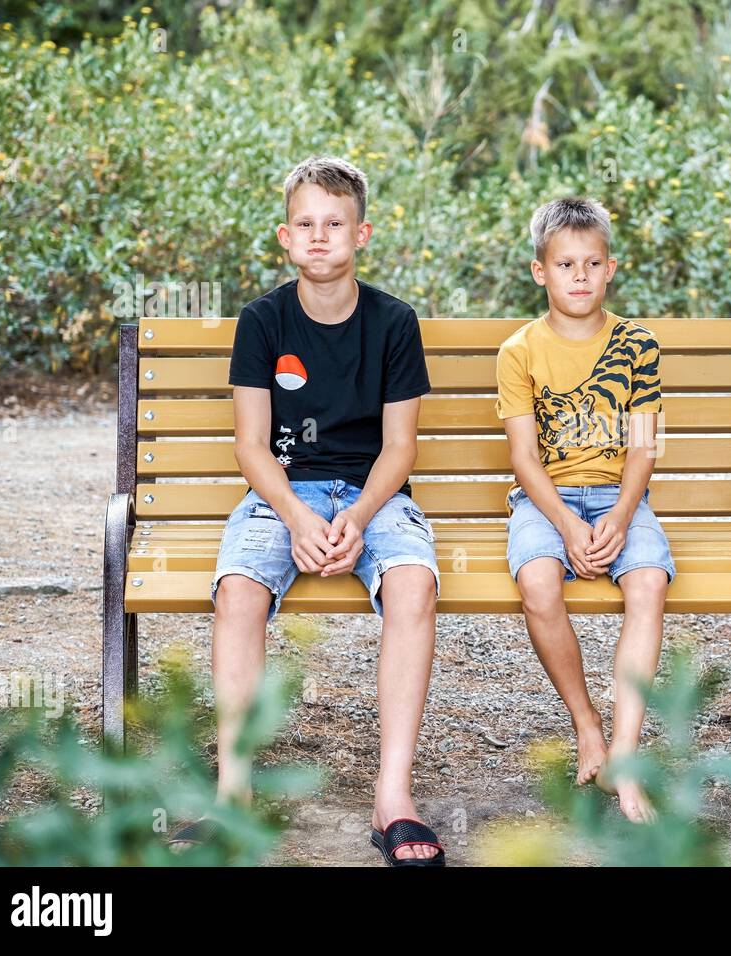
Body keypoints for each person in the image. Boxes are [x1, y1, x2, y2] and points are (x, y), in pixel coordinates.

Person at [176, 156, 444, 865]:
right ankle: (233, 794)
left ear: (362, 233)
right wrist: (297, 516)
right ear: (284, 237)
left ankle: (393, 796)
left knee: (414, 584)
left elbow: (399, 449)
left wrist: (355, 522)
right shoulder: (264, 321)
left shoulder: (393, 322)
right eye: (306, 224)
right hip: (283, 492)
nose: (320, 236)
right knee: (236, 591)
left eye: (335, 223)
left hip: (374, 497)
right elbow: (252, 447)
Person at [495, 196, 675, 823]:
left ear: (610, 269)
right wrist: (568, 524)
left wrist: (623, 516)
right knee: (539, 585)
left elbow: (644, 448)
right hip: (545, 500)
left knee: (649, 582)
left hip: (621, 497)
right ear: (540, 271)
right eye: (565, 264)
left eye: (591, 264)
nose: (579, 276)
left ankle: (625, 758)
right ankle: (587, 723)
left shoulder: (638, 345)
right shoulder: (519, 351)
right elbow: (524, 459)